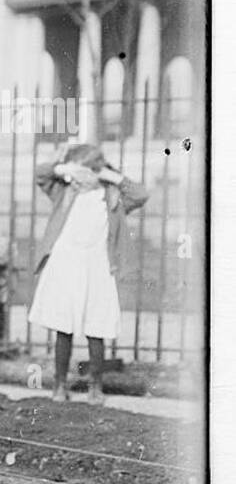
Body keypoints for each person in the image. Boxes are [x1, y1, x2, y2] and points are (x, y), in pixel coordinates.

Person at [28, 141, 148, 404]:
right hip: (65, 263)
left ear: (98, 171)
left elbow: (140, 194)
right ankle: (59, 385)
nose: (79, 179)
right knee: (63, 325)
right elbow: (41, 173)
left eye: (86, 173)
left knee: (97, 325)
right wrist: (62, 167)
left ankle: (96, 386)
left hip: (97, 266)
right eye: (75, 173)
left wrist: (111, 175)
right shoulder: (64, 193)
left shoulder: (111, 197)